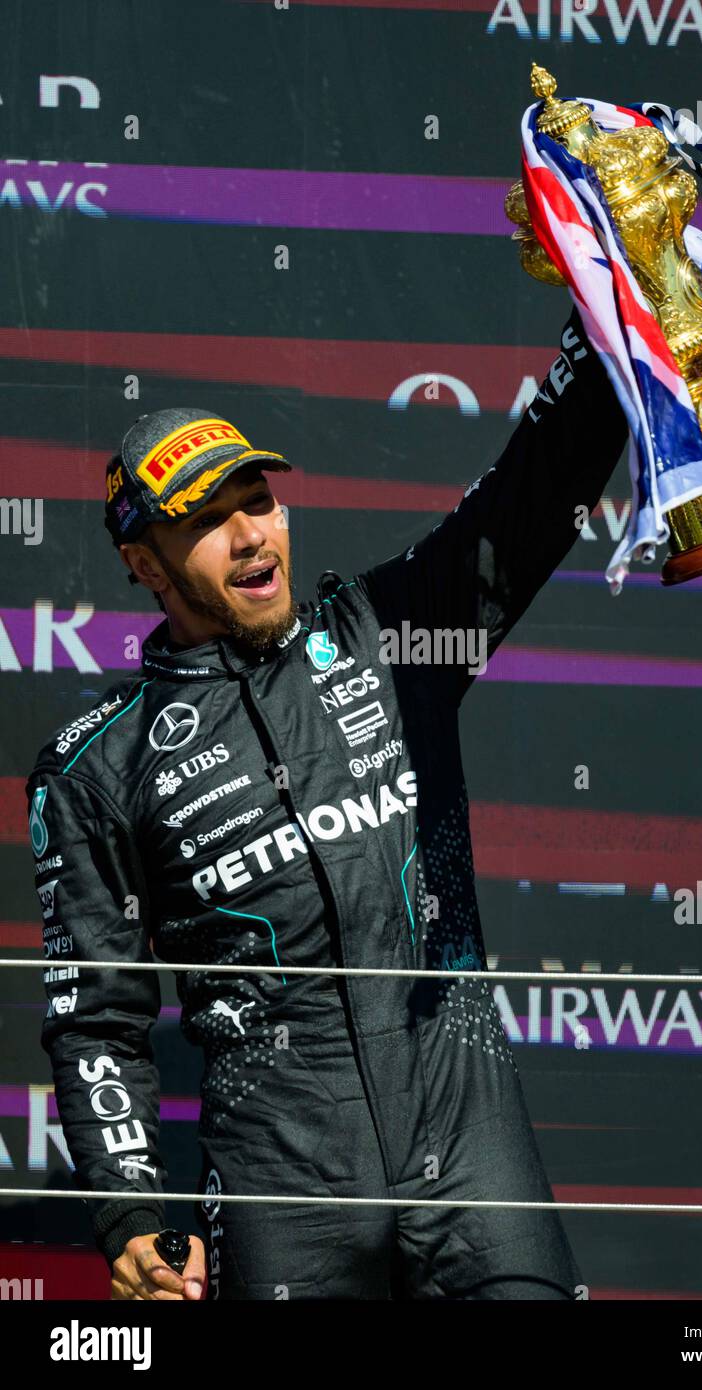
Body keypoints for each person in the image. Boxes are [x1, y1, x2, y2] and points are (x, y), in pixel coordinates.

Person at [26, 305, 627, 1300]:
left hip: (470, 1154)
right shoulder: (94, 768)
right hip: (281, 1191)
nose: (250, 534)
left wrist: (611, 303)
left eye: (256, 500)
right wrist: (129, 1209)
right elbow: (96, 1020)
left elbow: (539, 483)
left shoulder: (392, 634)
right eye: (207, 521)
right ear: (142, 562)